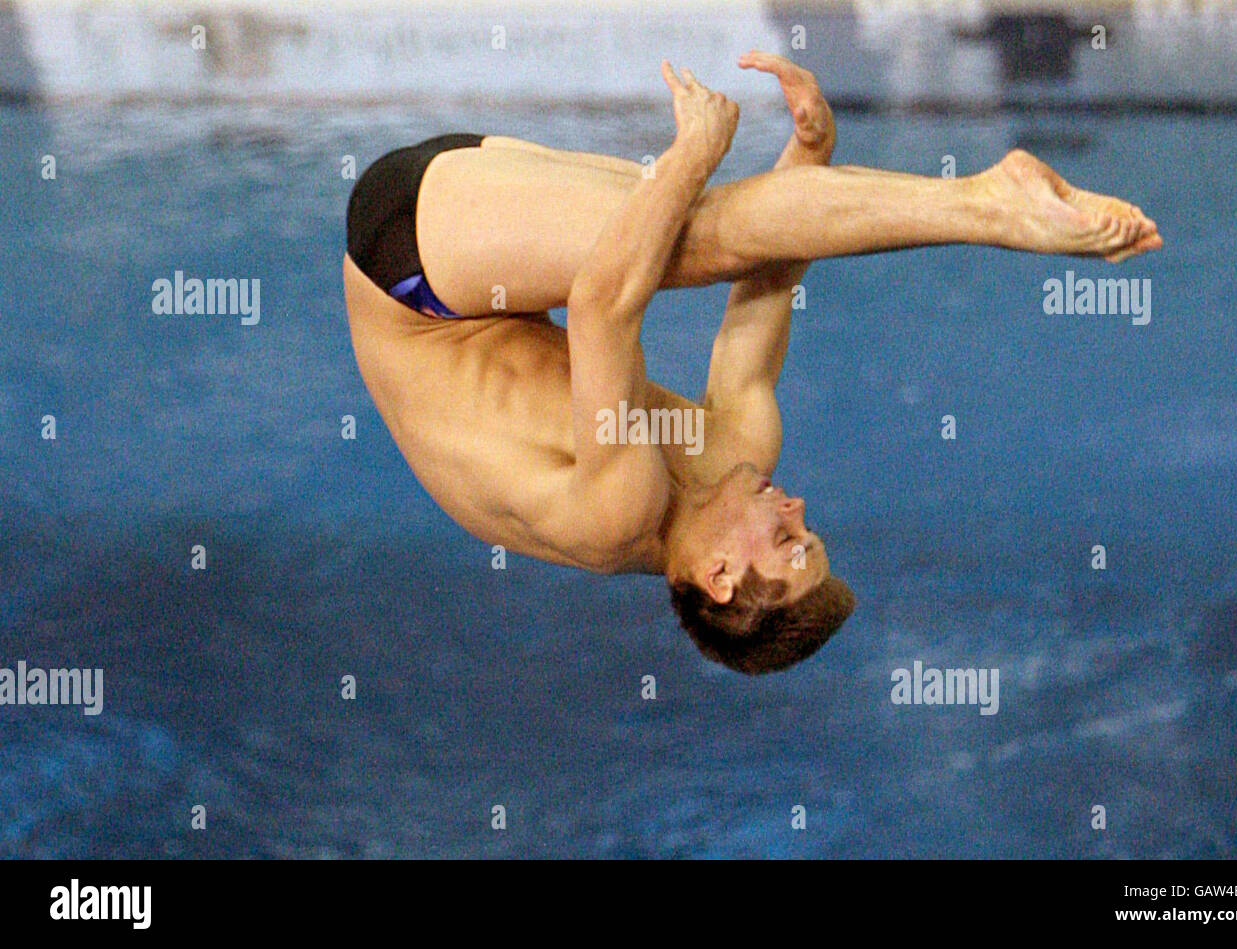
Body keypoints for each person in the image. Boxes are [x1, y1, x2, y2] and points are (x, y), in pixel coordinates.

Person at [342, 51, 1161, 674]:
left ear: (723, 576)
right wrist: (810, 153)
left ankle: (995, 204)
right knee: (702, 233)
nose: (797, 505)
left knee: (690, 236)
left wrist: (692, 151)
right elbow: (766, 291)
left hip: (412, 276)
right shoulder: (737, 461)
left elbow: (599, 307)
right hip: (489, 267)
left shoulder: (617, 513)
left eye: (791, 539)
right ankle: (992, 201)